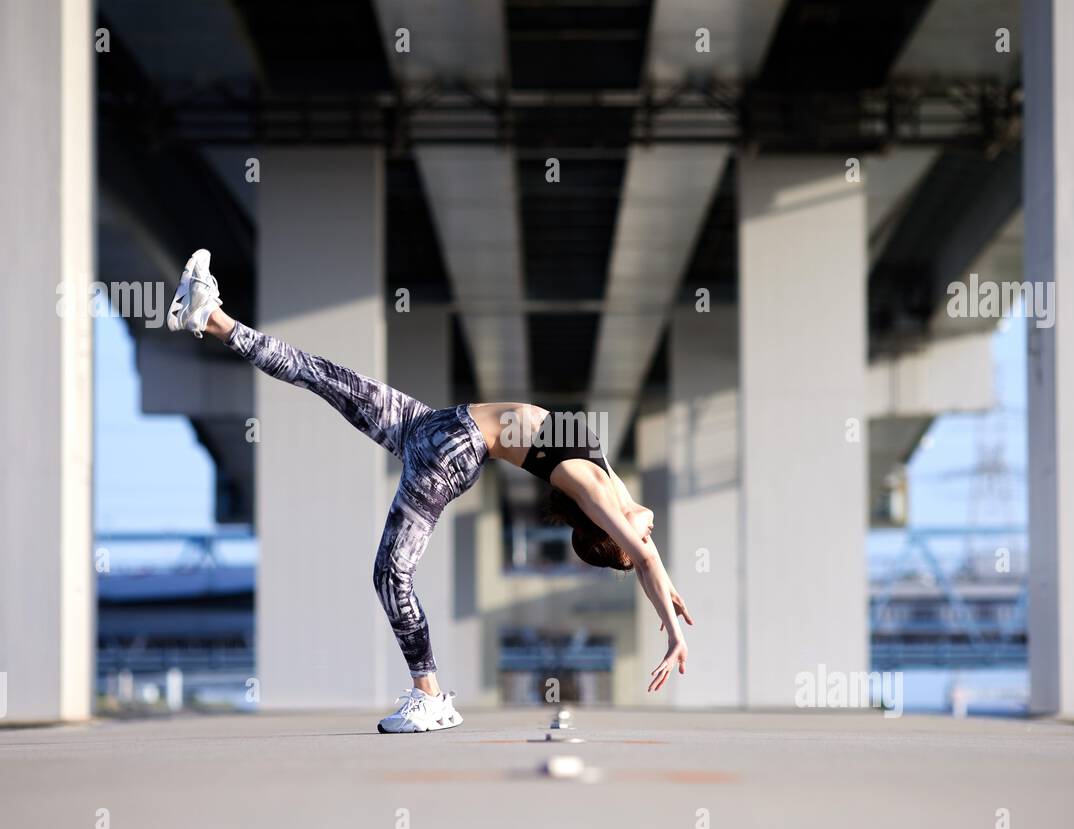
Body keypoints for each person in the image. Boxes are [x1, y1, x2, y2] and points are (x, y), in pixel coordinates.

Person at [167, 250, 693, 732]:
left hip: (451, 451)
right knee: (323, 375)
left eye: (640, 542)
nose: (654, 535)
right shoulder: (611, 480)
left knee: (389, 572)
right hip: (432, 423)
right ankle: (212, 319)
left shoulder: (594, 488)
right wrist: (664, 594)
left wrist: (671, 632)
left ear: (616, 537)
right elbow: (649, 562)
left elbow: (644, 557)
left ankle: (430, 695)